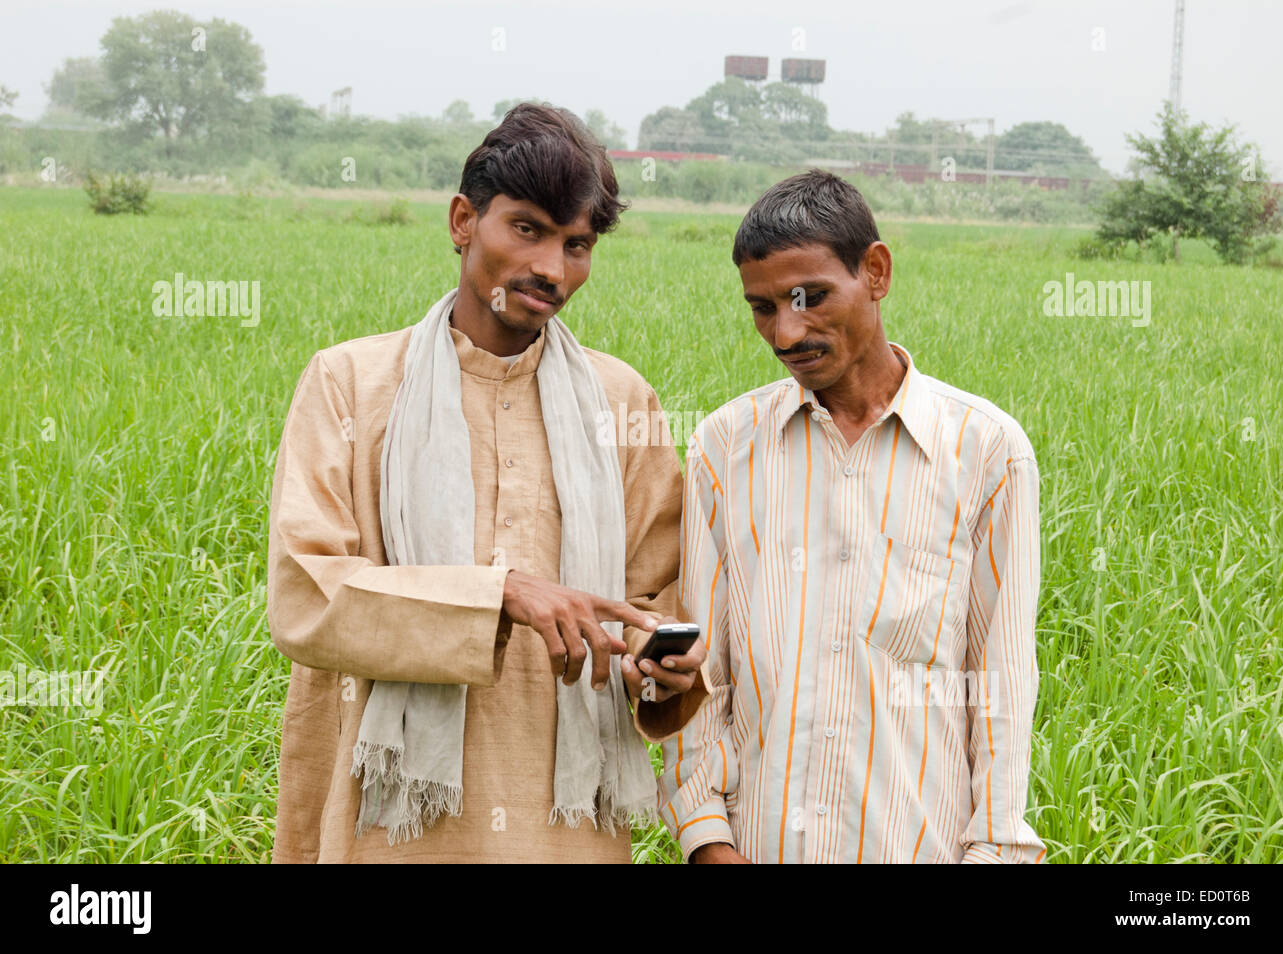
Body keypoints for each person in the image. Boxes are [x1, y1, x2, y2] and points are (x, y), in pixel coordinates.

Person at [266, 103, 710, 863]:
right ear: (463, 220)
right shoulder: (350, 383)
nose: (552, 268)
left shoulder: (620, 400)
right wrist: (502, 593)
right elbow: (308, 599)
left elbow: (653, 604)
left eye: (578, 244)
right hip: (389, 821)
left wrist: (662, 669)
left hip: (565, 822)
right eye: (528, 229)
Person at [659, 170, 1047, 864]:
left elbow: (1002, 683)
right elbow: (700, 671)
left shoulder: (986, 451)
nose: (786, 331)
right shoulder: (724, 446)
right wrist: (708, 841)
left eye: (810, 298)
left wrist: (993, 850)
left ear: (875, 271)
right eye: (762, 307)